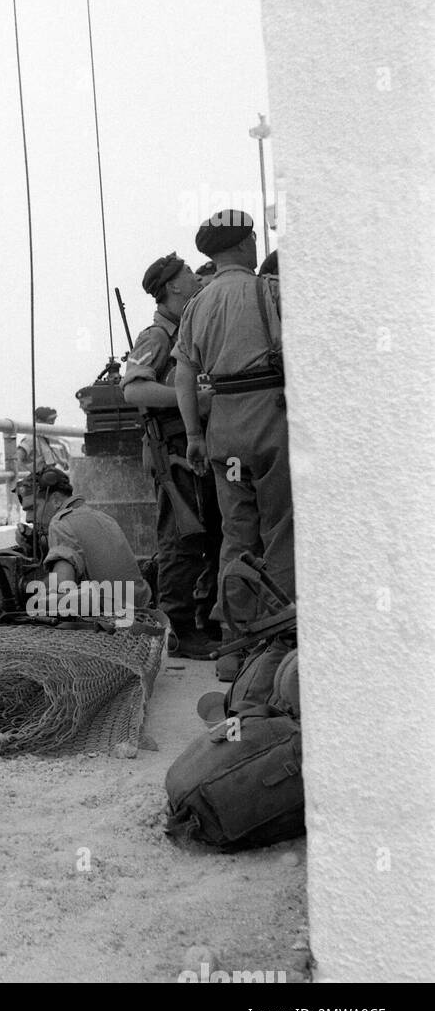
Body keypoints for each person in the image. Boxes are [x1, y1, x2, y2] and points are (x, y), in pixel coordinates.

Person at [173, 209, 294, 676]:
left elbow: (185, 375)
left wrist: (195, 436)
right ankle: (279, 644)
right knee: (280, 531)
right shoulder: (270, 291)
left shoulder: (197, 305)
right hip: (269, 418)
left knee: (235, 534)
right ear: (245, 244)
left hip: (223, 426)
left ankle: (232, 646)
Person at [121, 252, 223, 658]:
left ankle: (197, 617)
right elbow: (133, 388)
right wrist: (192, 401)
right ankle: (178, 626)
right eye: (187, 274)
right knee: (180, 537)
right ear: (174, 286)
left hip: (188, 445)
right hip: (172, 448)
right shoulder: (159, 336)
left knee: (205, 532)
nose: (195, 277)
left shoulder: (187, 327)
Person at [14, 468, 153, 623]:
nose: (28, 518)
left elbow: (63, 587)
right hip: (145, 616)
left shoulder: (60, 523)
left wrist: (28, 594)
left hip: (115, 627)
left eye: (33, 508)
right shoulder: (103, 517)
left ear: (56, 500)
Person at [17, 407, 71, 476]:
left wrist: (60, 461)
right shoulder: (31, 439)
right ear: (38, 421)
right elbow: (17, 459)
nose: (52, 423)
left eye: (53, 420)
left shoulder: (45, 440)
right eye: (49, 421)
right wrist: (29, 475)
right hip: (37, 480)